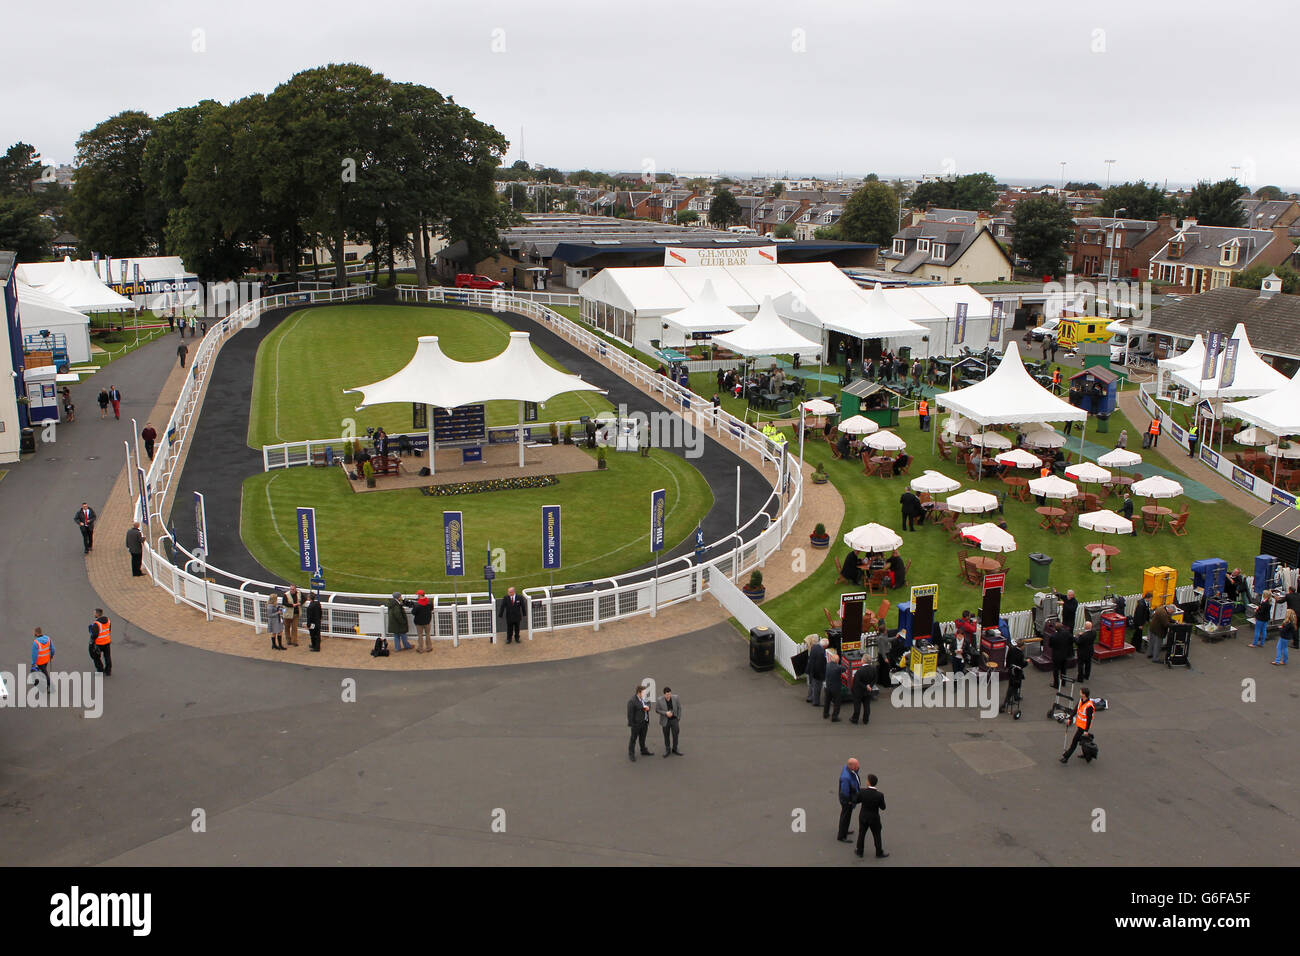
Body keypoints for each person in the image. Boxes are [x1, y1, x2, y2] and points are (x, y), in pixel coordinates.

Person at [854, 773, 888, 858]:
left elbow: (857, 801)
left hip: (863, 816)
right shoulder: (879, 795)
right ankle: (879, 852)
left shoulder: (862, 792)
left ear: (869, 782)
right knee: (877, 835)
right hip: (874, 818)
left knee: (861, 833)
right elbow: (883, 807)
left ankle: (860, 851)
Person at [1061, 687, 1097, 763]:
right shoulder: (1081, 700)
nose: (1079, 693)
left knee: (1074, 742)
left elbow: (1089, 719)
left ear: (1084, 694)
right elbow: (1075, 709)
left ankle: (1066, 757)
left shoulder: (1089, 706)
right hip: (1080, 725)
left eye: (1081, 692)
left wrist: (1086, 731)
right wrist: (1070, 718)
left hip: (1083, 728)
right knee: (1083, 741)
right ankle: (1087, 755)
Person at [627, 684, 653, 761]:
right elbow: (630, 714)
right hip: (636, 724)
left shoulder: (645, 698)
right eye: (644, 693)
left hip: (645, 722)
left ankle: (643, 750)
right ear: (639, 692)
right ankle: (631, 754)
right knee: (633, 739)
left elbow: (649, 704)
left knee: (642, 738)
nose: (645, 694)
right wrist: (632, 724)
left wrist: (648, 707)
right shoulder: (632, 701)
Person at [837, 758, 861, 842]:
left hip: (849, 799)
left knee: (846, 816)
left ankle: (844, 830)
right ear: (852, 766)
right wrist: (849, 801)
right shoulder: (846, 778)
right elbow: (845, 792)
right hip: (847, 801)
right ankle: (841, 836)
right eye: (857, 765)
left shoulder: (849, 770)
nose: (859, 766)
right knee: (845, 816)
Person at [655, 686, 683, 756]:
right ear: (664, 694)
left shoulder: (676, 698)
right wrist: (665, 713)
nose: (668, 696)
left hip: (674, 720)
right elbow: (657, 710)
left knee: (675, 734)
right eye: (667, 695)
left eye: (670, 694)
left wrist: (678, 718)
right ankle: (668, 749)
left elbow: (679, 708)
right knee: (666, 735)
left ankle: (675, 748)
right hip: (665, 721)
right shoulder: (659, 700)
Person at [1048, 619, 1073, 690]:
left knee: (1056, 670)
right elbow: (1071, 639)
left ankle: (1056, 684)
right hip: (1064, 654)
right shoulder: (1066, 633)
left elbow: (1050, 645)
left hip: (1056, 656)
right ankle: (1064, 682)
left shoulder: (1053, 637)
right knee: (1063, 669)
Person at [1003, 638, 1026, 713]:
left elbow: (1007, 658)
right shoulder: (1020, 654)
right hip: (1017, 672)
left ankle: (1016, 696)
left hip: (1011, 670)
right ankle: (1008, 700)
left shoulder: (1012, 649)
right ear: (1022, 646)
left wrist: (1008, 666)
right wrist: (1027, 662)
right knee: (1014, 685)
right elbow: (1022, 664)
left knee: (1012, 684)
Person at [88, 608, 112, 677]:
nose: (94, 614)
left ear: (97, 614)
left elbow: (94, 635)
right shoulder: (108, 620)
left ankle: (100, 670)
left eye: (94, 613)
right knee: (107, 656)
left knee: (96, 657)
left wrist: (91, 642)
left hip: (99, 644)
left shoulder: (96, 624)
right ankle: (108, 671)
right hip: (107, 642)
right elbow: (109, 630)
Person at [823, 650, 844, 722]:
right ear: (837, 661)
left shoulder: (827, 665)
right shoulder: (838, 667)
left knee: (827, 701)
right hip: (836, 688)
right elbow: (844, 669)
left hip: (828, 686)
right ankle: (834, 717)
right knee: (837, 703)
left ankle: (825, 714)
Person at [807, 636, 828, 706]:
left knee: (811, 684)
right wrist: (822, 675)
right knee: (817, 687)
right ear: (825, 646)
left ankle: (809, 697)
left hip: (811, 669)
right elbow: (820, 665)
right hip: (817, 672)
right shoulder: (822, 652)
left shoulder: (814, 647)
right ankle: (816, 702)